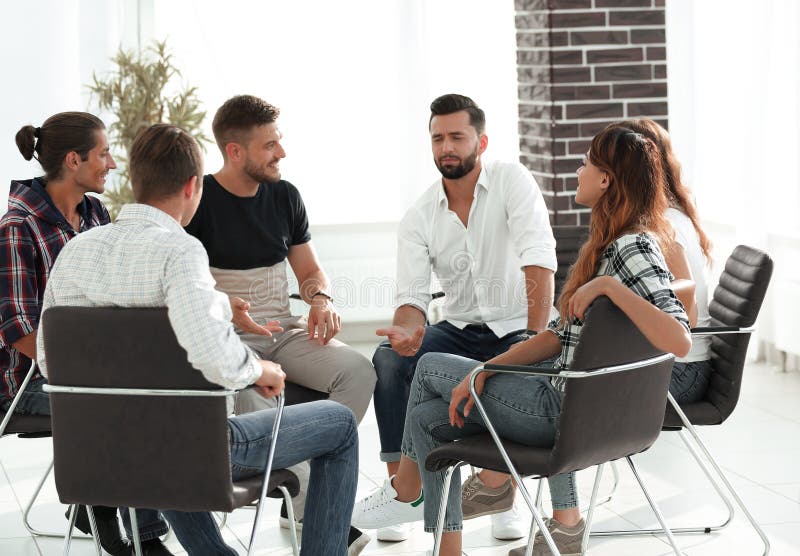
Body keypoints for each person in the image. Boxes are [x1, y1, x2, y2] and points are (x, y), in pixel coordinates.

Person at [352, 125, 692, 556]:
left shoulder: (632, 247)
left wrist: (609, 289)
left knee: (429, 366)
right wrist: (488, 369)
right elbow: (559, 336)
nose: (578, 170)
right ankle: (447, 548)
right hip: (571, 405)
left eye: (586, 162)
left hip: (562, 413)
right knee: (426, 417)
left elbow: (680, 338)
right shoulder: (611, 246)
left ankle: (406, 491)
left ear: (606, 180)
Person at [36, 123, 359, 556]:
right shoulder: (179, 251)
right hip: (191, 454)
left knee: (167, 424)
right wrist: (260, 368)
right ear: (193, 186)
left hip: (97, 455)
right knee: (338, 425)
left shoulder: (75, 251)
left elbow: (49, 360)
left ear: (136, 181)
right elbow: (215, 359)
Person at [183, 95, 375, 551]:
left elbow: (310, 274)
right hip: (230, 339)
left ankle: (311, 492)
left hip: (284, 332)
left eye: (279, 142)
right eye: (270, 145)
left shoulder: (285, 196)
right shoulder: (200, 202)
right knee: (254, 406)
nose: (281, 154)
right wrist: (223, 302)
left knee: (359, 370)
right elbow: (186, 283)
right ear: (235, 151)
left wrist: (321, 300)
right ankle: (312, 509)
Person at [369, 93, 557, 541]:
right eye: (438, 138)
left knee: (511, 374)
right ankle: (402, 493)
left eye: (456, 136)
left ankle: (501, 489)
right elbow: (412, 297)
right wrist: (410, 332)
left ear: (482, 141)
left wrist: (533, 334)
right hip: (457, 328)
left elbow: (539, 259)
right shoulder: (419, 214)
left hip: (517, 323)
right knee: (388, 360)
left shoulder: (512, 180)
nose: (446, 147)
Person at [0, 112, 170, 556]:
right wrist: (83, 370)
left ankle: (97, 498)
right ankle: (139, 532)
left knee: (158, 388)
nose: (112, 163)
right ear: (73, 161)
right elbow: (16, 328)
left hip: (93, 368)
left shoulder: (94, 213)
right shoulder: (18, 227)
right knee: (124, 401)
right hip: (26, 381)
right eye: (104, 153)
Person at [611, 118, 713, 404]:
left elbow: (685, 312)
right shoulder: (667, 215)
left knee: (579, 391)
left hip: (682, 371)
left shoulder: (663, 225)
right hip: (678, 363)